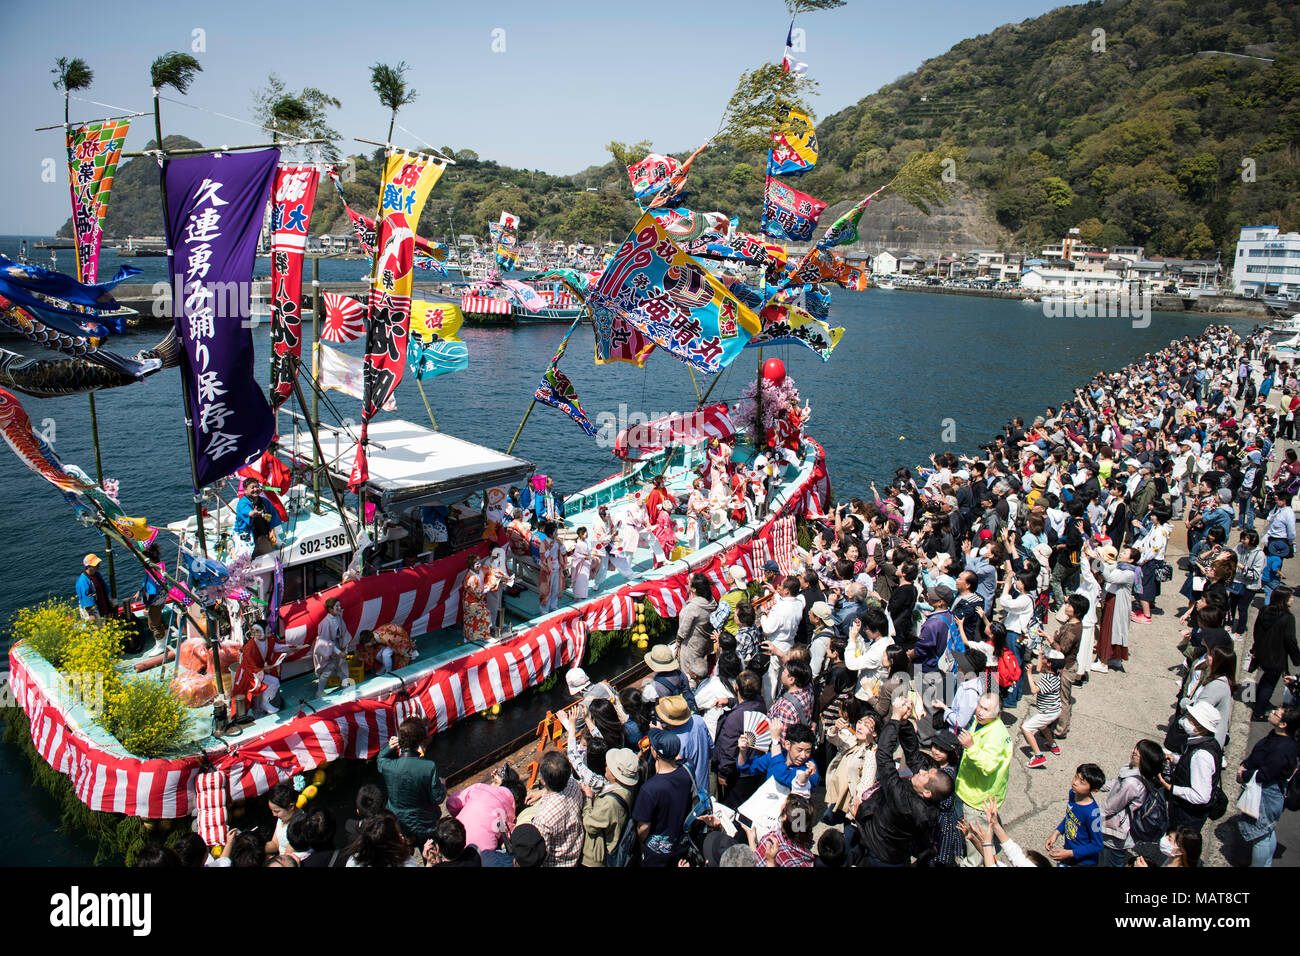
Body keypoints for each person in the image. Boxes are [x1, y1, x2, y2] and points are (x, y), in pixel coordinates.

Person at [853, 695, 953, 866]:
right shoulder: (928, 795)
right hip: (898, 848)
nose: (922, 771)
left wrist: (894, 719)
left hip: (882, 852)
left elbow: (884, 757)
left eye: (926, 775)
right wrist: (904, 724)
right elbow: (914, 756)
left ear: (927, 792)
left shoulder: (904, 803)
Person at [1235, 705, 1300, 867]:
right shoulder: (1279, 738)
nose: (1271, 713)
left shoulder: (1282, 749)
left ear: (1283, 724)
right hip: (1269, 793)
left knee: (1260, 835)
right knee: (1267, 831)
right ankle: (1265, 864)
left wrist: (1244, 774)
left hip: (1267, 796)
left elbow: (1264, 774)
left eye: (1275, 714)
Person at [954, 692, 1013, 865]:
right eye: (979, 706)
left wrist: (970, 747)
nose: (980, 712)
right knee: (966, 829)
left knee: (977, 841)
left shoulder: (997, 734)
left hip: (978, 799)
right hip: (967, 789)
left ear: (997, 712)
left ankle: (972, 863)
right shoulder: (981, 722)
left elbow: (988, 766)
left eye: (986, 709)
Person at [1156, 700, 1224, 835]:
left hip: (1187, 815)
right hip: (1187, 812)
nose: (1186, 719)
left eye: (1191, 719)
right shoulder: (1208, 743)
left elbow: (1201, 796)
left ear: (1201, 727)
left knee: (1178, 845)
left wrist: (1171, 788)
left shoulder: (1202, 756)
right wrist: (1175, 759)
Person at [376, 717, 445, 849]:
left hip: (399, 824)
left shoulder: (388, 766)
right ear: (419, 741)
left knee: (404, 855)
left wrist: (389, 748)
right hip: (425, 823)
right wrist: (442, 785)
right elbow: (438, 797)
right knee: (429, 852)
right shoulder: (428, 767)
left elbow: (380, 759)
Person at [632, 729, 694, 867]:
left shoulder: (649, 789)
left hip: (657, 854)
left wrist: (642, 842)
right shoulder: (688, 769)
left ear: (655, 753)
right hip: (682, 845)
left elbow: (643, 828)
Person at [1100, 739, 1165, 867]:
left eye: (1136, 752)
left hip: (1117, 832)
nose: (1132, 752)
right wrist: (1096, 783)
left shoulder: (1132, 783)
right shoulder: (1136, 773)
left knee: (1112, 861)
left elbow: (1110, 807)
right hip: (1117, 829)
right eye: (1135, 748)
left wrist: (1088, 814)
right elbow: (1115, 783)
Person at [714, 670, 767, 806]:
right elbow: (746, 702)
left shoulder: (735, 718)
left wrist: (723, 773)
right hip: (756, 767)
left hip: (738, 773)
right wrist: (730, 701)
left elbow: (728, 749)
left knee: (733, 806)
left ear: (736, 687)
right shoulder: (761, 704)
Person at [580, 747, 639, 867]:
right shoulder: (629, 789)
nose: (606, 766)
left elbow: (589, 824)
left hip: (596, 856)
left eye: (609, 766)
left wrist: (588, 798)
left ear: (617, 775)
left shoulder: (610, 802)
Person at [1249, 586, 1300, 721]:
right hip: (1276, 657)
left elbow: (1256, 631)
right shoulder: (1288, 617)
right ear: (1284, 600)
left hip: (1261, 653)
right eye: (1290, 597)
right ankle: (1259, 712)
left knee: (1265, 680)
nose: (1293, 600)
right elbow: (1290, 640)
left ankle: (1257, 701)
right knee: (1269, 684)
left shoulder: (1264, 610)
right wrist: (1296, 658)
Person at [526, 749, 584, 867]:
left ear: (543, 781)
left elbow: (540, 855)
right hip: (574, 852)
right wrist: (543, 792)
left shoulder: (543, 819)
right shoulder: (573, 784)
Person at [1044, 763, 1106, 866]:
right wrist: (1057, 832)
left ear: (1094, 791)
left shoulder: (1093, 813)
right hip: (1069, 853)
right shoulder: (1073, 794)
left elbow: (1097, 845)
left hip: (1084, 862)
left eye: (1082, 782)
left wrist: (1069, 853)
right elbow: (1070, 816)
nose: (1075, 783)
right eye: (1076, 777)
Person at [737, 721, 821, 795]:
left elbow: (782, 775)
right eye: (799, 750)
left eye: (807, 751)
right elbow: (745, 767)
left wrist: (775, 742)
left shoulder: (810, 768)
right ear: (788, 745)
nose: (803, 756)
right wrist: (742, 751)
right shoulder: (775, 756)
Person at [654, 695, 712, 795]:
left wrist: (660, 737)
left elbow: (670, 776)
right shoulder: (699, 720)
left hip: (689, 795)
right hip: (704, 787)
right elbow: (711, 748)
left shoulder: (674, 741)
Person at [1023, 648, 1065, 768]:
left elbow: (1034, 690)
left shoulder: (1048, 679)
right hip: (1055, 709)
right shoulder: (1056, 673)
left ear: (1050, 663)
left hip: (1048, 712)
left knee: (1026, 728)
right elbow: (1039, 668)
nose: (1044, 659)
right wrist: (1041, 655)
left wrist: (1029, 675)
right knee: (1043, 726)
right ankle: (1053, 745)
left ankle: (1038, 756)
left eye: (1046, 658)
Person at [230, 620, 282, 716]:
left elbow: (276, 647)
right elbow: (251, 666)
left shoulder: (268, 640)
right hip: (248, 675)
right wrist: (262, 671)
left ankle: (263, 705)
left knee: (273, 683)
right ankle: (255, 713)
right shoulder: (249, 648)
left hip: (259, 672)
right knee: (252, 694)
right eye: (267, 628)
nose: (270, 630)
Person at [676, 572, 717, 684]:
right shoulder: (711, 601)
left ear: (693, 589)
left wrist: (678, 641)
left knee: (689, 673)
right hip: (704, 642)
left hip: (691, 645)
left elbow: (684, 628)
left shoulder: (693, 607)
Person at [314, 596, 354, 691]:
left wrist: (345, 648)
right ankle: (319, 692)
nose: (339, 608)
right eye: (337, 606)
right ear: (330, 609)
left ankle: (345, 686)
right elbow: (325, 642)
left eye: (339, 606)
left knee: (342, 667)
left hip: (338, 645)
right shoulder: (325, 623)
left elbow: (344, 633)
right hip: (328, 650)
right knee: (328, 670)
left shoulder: (339, 618)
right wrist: (338, 652)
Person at [234, 478, 283, 556]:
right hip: (247, 533)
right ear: (245, 490)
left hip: (261, 533)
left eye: (257, 487)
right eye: (252, 487)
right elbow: (248, 512)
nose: (255, 489)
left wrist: (273, 530)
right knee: (245, 558)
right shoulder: (242, 503)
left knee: (271, 551)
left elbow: (272, 517)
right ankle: (231, 547)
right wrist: (254, 513)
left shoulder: (264, 501)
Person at [461, 554, 500, 643]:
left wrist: (492, 579)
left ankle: (473, 637)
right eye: (476, 564)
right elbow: (478, 592)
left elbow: (490, 571)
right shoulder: (470, 578)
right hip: (471, 601)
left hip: (477, 600)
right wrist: (489, 587)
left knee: (473, 619)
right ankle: (484, 637)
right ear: (471, 566)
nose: (478, 565)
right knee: (480, 616)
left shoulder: (482, 569)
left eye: (479, 562)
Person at [75, 553, 113, 620]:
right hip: (93, 611)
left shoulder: (97, 575)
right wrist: (91, 614)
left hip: (102, 606)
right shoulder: (83, 581)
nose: (98, 565)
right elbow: (86, 599)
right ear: (88, 566)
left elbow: (103, 589)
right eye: (96, 564)